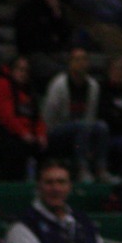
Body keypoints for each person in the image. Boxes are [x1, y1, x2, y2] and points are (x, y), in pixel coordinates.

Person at [4, 161, 101, 243]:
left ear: (70, 187)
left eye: (61, 182)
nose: (56, 188)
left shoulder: (84, 221)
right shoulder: (24, 226)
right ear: (39, 186)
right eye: (49, 183)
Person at [41, 48, 111, 183]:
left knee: (101, 126)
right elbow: (48, 116)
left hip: (82, 130)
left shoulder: (93, 86)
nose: (81, 63)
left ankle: (101, 169)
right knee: (82, 126)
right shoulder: (59, 85)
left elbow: (91, 115)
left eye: (84, 59)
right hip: (57, 131)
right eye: (77, 60)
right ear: (70, 63)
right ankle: (82, 169)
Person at [13, 0, 77, 59]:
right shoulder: (27, 7)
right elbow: (26, 36)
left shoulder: (57, 7)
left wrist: (57, 14)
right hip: (34, 54)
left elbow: (66, 33)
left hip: (56, 51)